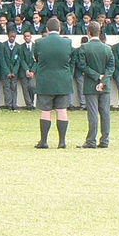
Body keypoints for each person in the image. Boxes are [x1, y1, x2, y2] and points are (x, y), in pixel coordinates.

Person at [31, 17, 74, 149]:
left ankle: (43, 141)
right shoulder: (67, 42)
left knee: (46, 111)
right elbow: (70, 59)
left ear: (47, 29)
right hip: (63, 81)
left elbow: (37, 59)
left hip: (45, 82)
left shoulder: (39, 43)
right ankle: (62, 142)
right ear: (60, 29)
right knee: (62, 110)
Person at [76, 22, 115, 149]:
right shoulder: (108, 48)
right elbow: (111, 67)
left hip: (90, 85)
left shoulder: (84, 48)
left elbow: (82, 66)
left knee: (92, 114)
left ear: (88, 32)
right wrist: (103, 80)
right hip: (105, 86)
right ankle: (104, 141)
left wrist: (96, 76)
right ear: (99, 31)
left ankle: (91, 141)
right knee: (105, 114)